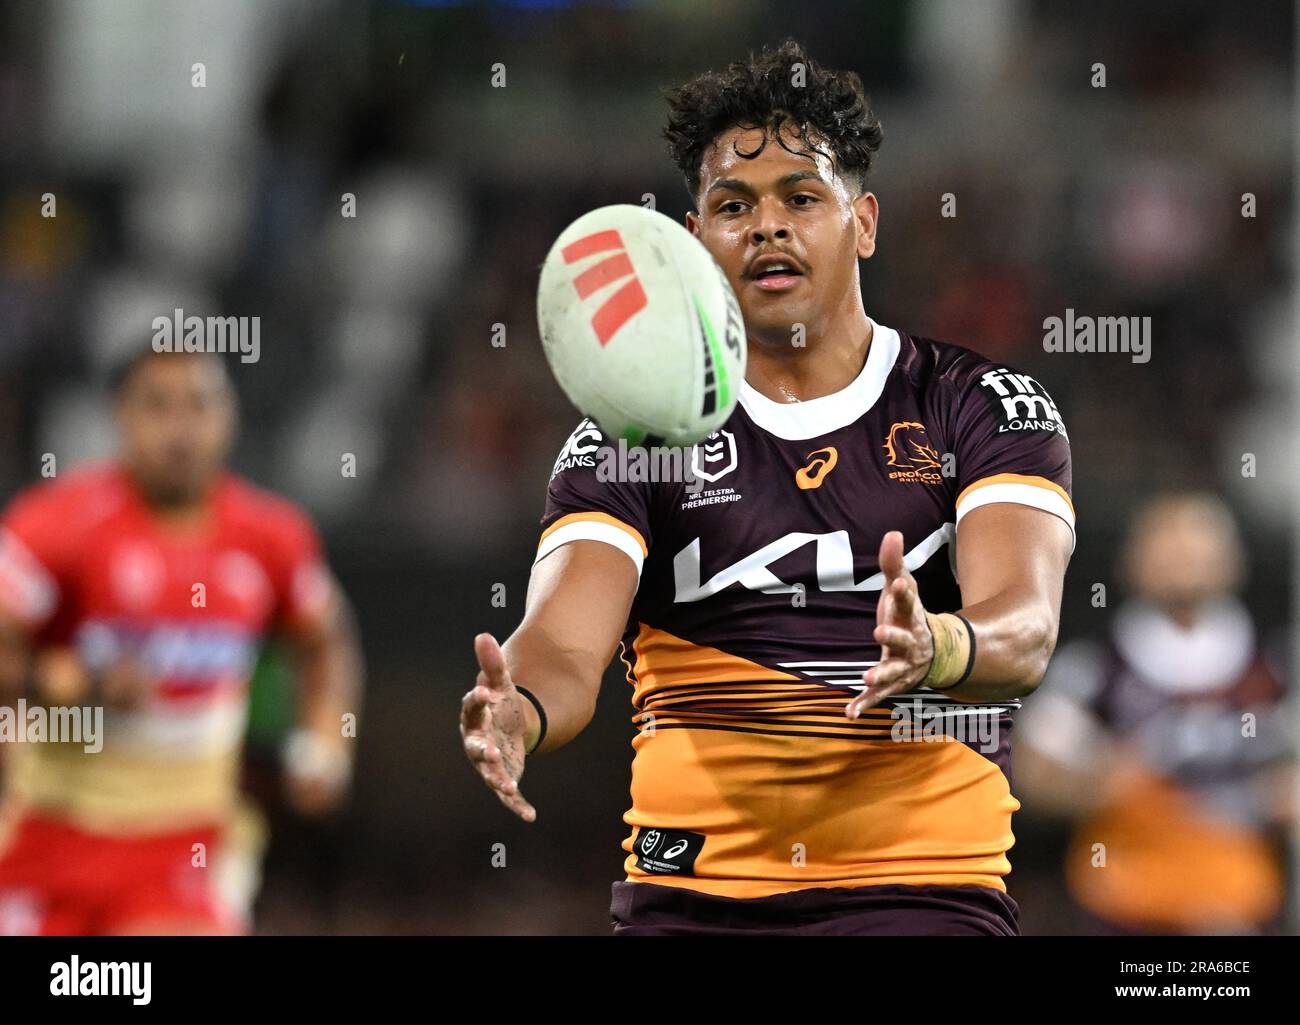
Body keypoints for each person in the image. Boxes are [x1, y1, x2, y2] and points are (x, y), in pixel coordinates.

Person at [461, 39, 1074, 935]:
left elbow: (1025, 626)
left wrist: (940, 645)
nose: (767, 226)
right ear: (695, 238)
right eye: (733, 205)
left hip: (923, 891)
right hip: (691, 896)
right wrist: (519, 706)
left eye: (801, 198)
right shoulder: (631, 437)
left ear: (863, 222)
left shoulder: (974, 405)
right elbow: (561, 643)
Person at [0, 348, 363, 935]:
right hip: (52, 833)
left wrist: (325, 744)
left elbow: (324, 640)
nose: (180, 430)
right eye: (157, 407)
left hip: (184, 842)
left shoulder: (271, 537)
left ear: (230, 418)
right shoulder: (56, 526)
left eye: (199, 406)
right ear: (121, 418)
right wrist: (72, 682)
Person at [1016, 493, 1292, 934]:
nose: (1183, 554)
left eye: (1198, 541)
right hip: (1125, 904)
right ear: (1131, 561)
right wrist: (1099, 785)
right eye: (1166, 542)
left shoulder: (1280, 667)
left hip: (1248, 900)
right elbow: (1034, 770)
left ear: (1235, 559)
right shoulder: (1092, 670)